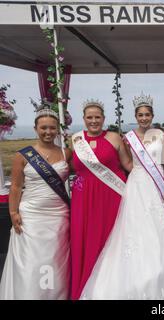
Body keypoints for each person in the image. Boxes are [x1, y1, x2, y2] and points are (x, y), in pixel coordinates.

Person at [80, 93, 164, 299]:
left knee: (160, 225)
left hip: (157, 183)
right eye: (140, 115)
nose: (143, 118)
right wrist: (138, 174)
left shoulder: (161, 135)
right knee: (136, 226)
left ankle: (163, 268)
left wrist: (162, 180)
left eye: (147, 114)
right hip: (137, 184)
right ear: (136, 116)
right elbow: (127, 163)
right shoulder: (128, 138)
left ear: (152, 115)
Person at [0, 104, 71, 299]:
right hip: (31, 216)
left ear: (57, 129)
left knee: (54, 261)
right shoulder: (22, 155)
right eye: (43, 128)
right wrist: (13, 213)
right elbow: (15, 187)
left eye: (52, 128)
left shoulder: (67, 154)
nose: (48, 132)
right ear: (35, 129)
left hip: (58, 216)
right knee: (33, 262)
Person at [70, 99, 132, 300]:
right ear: (84, 119)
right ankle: (88, 283)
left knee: (111, 237)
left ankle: (112, 285)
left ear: (104, 119)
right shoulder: (75, 140)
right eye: (90, 117)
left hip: (112, 195)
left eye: (98, 117)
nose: (94, 121)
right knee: (86, 236)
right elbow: (69, 167)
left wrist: (151, 174)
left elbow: (128, 164)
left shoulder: (114, 137)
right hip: (84, 198)